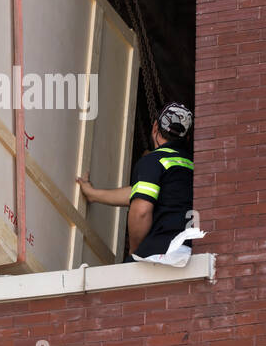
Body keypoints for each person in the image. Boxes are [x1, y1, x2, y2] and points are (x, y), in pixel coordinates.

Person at [78, 102, 197, 264]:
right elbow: (139, 193)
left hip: (161, 253)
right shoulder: (192, 166)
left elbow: (141, 210)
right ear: (187, 137)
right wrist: (93, 194)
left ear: (155, 127)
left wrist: (135, 251)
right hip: (193, 253)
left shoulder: (154, 161)